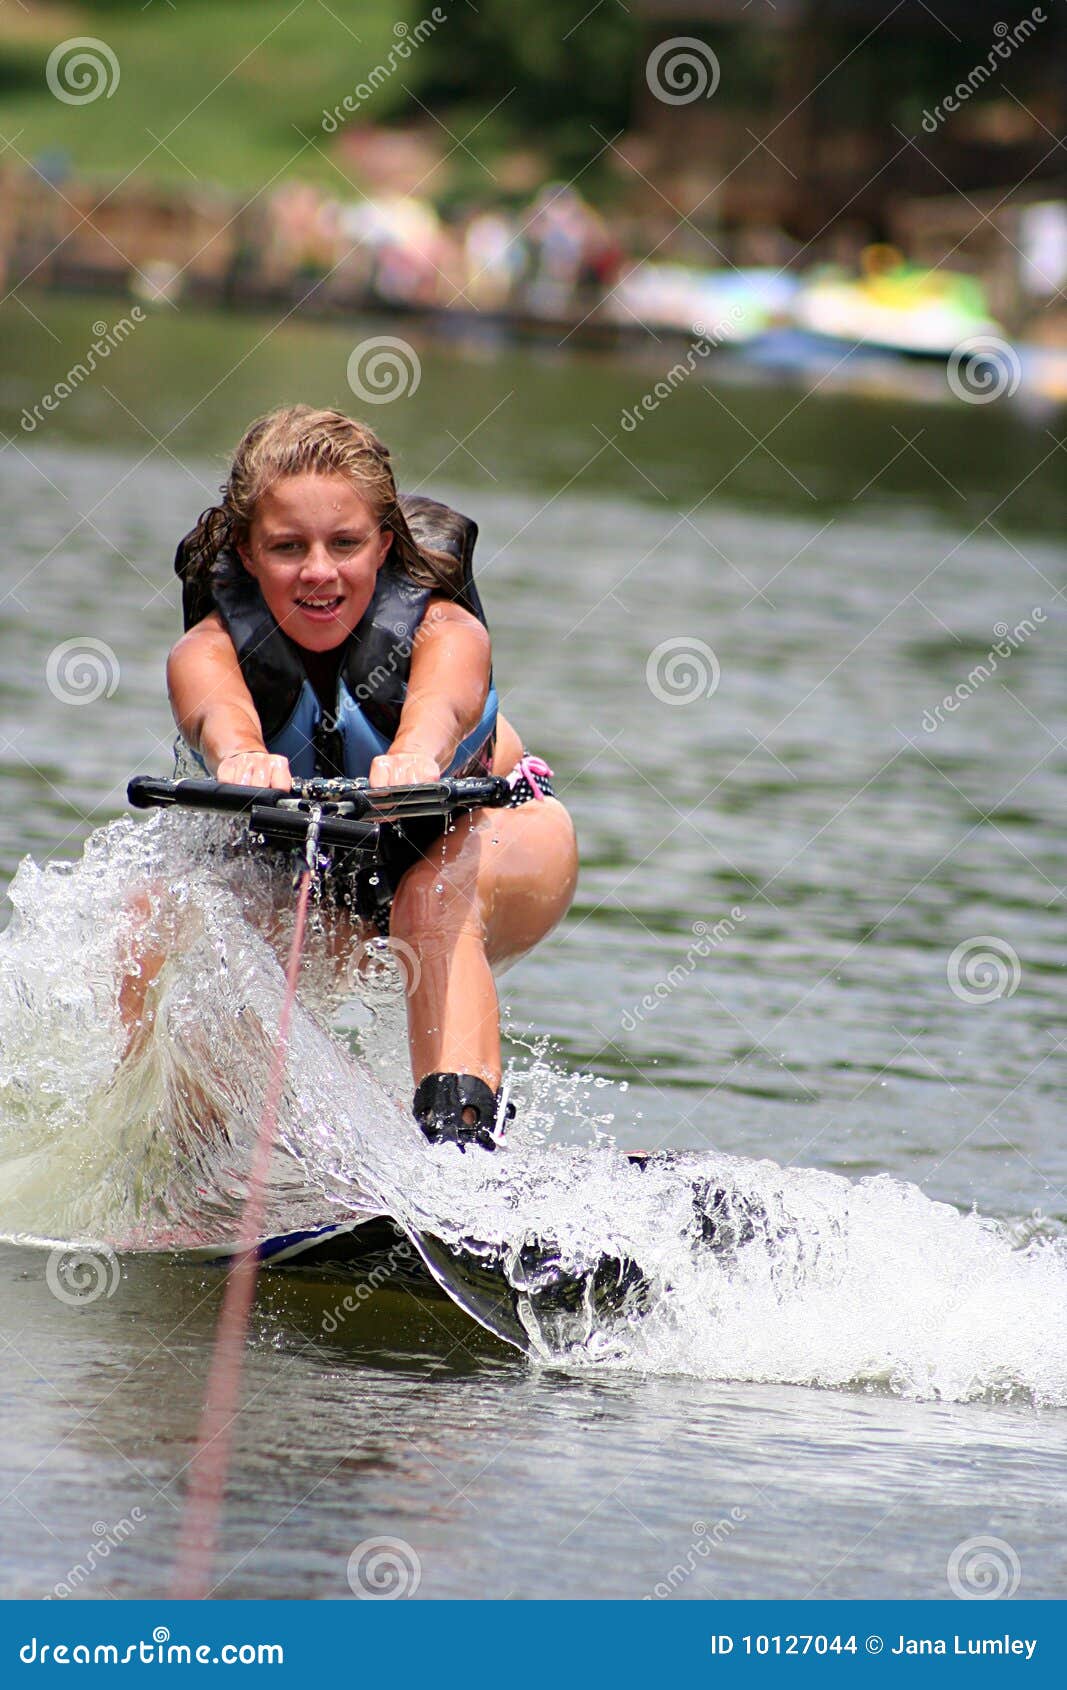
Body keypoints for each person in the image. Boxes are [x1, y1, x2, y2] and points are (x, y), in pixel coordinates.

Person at [151, 404, 577, 1152]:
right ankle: (188, 1160)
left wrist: (414, 754)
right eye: (288, 547)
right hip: (336, 877)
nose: (319, 571)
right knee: (191, 925)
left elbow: (442, 707)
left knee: (431, 898)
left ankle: (460, 1157)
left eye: (343, 543)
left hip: (500, 844)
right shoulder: (207, 648)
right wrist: (241, 755)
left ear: (382, 544)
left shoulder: (445, 630)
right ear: (248, 555)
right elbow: (218, 713)